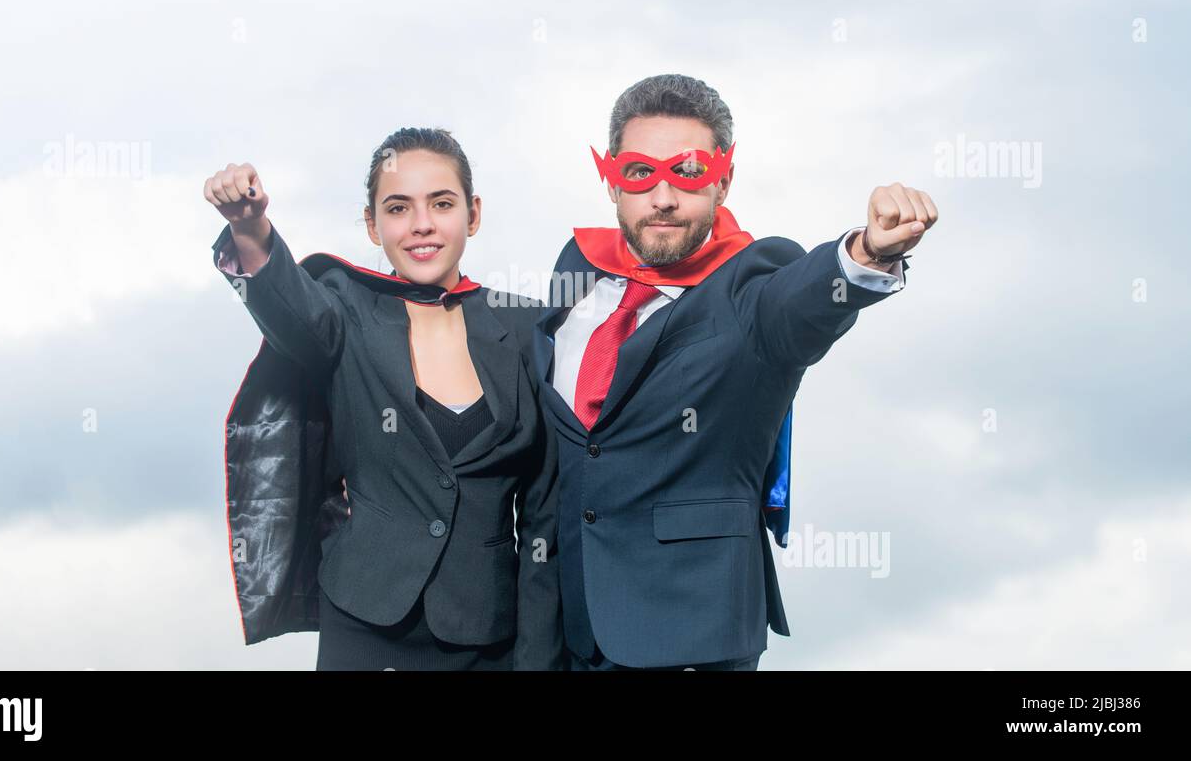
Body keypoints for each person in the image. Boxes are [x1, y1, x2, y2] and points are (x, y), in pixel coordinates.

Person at [532, 74, 938, 670]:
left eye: (688, 173)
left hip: (692, 634)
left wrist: (867, 253)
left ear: (723, 181)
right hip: (568, 635)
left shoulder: (753, 288)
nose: (663, 198)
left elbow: (806, 299)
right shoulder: (578, 270)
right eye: (640, 174)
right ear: (611, 181)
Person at [207, 127, 564, 670]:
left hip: (489, 632)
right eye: (398, 208)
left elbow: (544, 518)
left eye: (441, 204)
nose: (421, 224)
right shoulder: (344, 312)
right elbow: (288, 311)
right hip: (365, 624)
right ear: (373, 225)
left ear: (473, 214)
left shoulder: (527, 328)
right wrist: (249, 227)